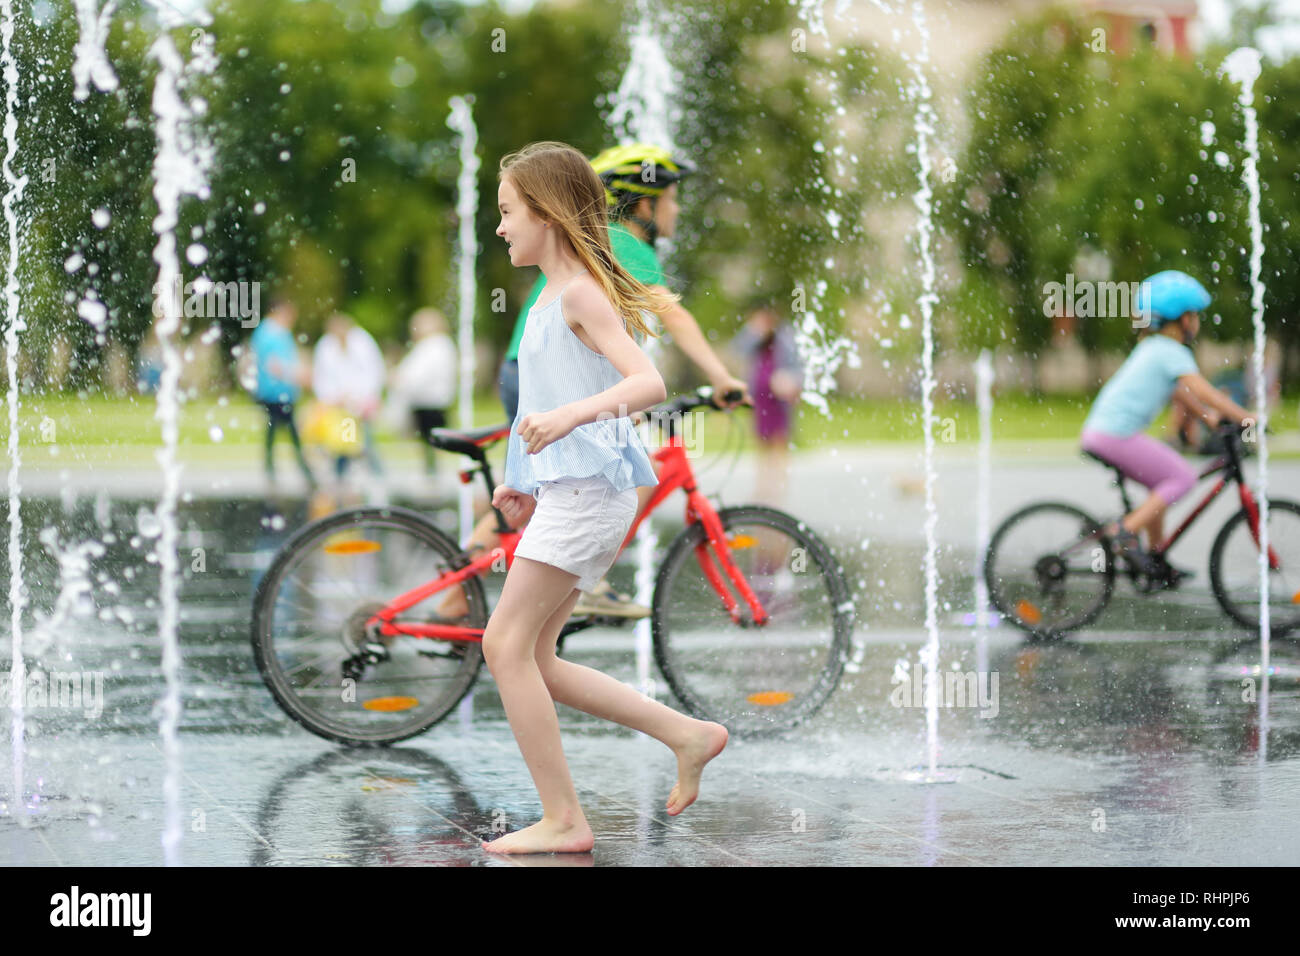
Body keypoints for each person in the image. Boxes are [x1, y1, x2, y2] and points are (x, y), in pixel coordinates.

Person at [479, 141, 728, 855]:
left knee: (504, 645)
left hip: (593, 492)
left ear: (548, 214)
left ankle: (564, 820)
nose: (500, 229)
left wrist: (572, 419)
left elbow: (646, 384)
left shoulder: (583, 292)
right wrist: (520, 482)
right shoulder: (548, 301)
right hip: (570, 491)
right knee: (538, 658)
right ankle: (686, 734)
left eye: (508, 213)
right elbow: (539, 399)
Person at [439, 142, 751, 621]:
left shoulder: (594, 248)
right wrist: (722, 376)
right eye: (670, 198)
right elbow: (673, 314)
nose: (677, 208)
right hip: (544, 375)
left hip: (525, 368)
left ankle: (460, 592)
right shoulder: (626, 244)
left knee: (563, 479)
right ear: (645, 204)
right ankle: (582, 575)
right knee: (613, 468)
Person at [1080, 270, 1253, 582]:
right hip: (1114, 435)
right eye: (1195, 315)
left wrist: (1208, 419)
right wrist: (1245, 417)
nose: (1197, 322)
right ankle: (1124, 531)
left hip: (1103, 433)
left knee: (1161, 482)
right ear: (1183, 319)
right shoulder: (1170, 351)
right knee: (1183, 477)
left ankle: (1155, 558)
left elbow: (1180, 392)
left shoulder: (1153, 348)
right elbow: (1202, 389)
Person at [729, 300, 803, 508]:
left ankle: (779, 485)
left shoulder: (785, 338)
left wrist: (793, 384)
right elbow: (738, 348)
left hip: (779, 397)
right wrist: (753, 330)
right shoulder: (755, 339)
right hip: (760, 397)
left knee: (779, 440)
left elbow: (797, 364)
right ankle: (763, 485)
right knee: (761, 440)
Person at [311, 312, 387, 484]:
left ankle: (377, 475)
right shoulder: (326, 346)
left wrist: (361, 396)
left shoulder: (362, 342)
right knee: (344, 442)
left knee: (365, 440)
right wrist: (334, 396)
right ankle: (343, 475)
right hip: (339, 404)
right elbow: (322, 376)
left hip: (361, 401)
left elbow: (373, 371)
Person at [249, 299, 316, 491]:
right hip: (275, 392)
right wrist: (297, 375)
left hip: (282, 391)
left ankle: (273, 471)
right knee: (289, 431)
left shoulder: (278, 332)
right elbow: (274, 365)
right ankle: (301, 471)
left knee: (276, 431)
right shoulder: (269, 333)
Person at [392, 308, 458, 475]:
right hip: (431, 401)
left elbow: (419, 374)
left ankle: (432, 472)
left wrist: (400, 379)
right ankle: (431, 470)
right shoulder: (439, 345)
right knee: (429, 440)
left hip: (429, 401)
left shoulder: (434, 345)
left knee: (431, 440)